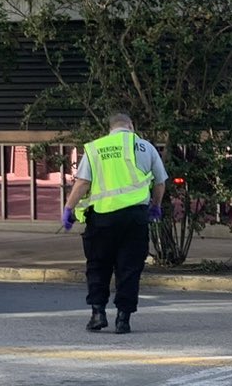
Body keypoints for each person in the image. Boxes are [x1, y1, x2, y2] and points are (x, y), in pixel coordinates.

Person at [62, 111, 166, 333]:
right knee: (129, 268)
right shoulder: (145, 147)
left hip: (102, 218)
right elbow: (160, 182)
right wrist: (155, 206)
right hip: (135, 218)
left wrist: (69, 208)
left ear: (110, 128)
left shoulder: (95, 148)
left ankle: (98, 313)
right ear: (131, 125)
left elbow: (82, 184)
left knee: (98, 265)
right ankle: (123, 319)